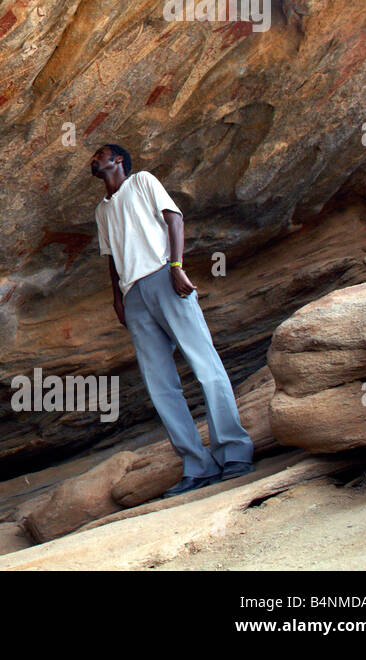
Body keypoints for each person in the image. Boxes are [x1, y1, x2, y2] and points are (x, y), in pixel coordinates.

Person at [90, 143, 255, 497]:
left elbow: (174, 218)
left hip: (164, 278)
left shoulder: (143, 181)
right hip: (133, 295)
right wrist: (118, 298)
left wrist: (177, 267)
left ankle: (235, 452)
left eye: (102, 153)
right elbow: (111, 257)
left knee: (204, 364)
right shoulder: (101, 211)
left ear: (118, 160)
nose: (95, 157)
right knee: (160, 386)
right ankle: (198, 465)